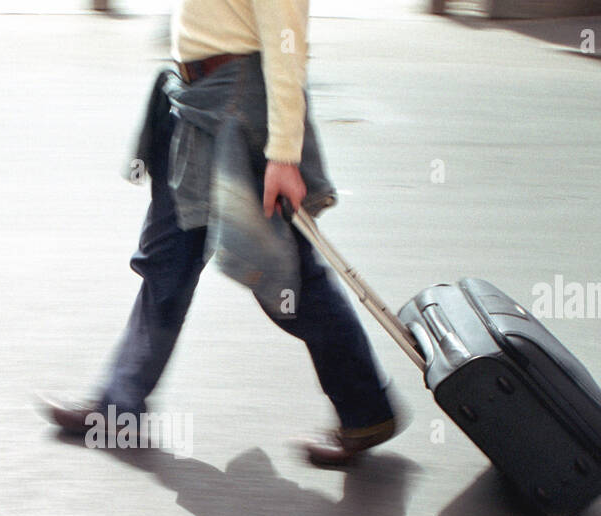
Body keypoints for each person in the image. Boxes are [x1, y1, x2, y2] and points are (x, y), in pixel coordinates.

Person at [43, 0, 400, 468]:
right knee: (167, 262)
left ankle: (366, 410)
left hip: (238, 112)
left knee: (288, 281)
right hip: (192, 104)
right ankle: (119, 404)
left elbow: (286, 46)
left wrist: (284, 157)